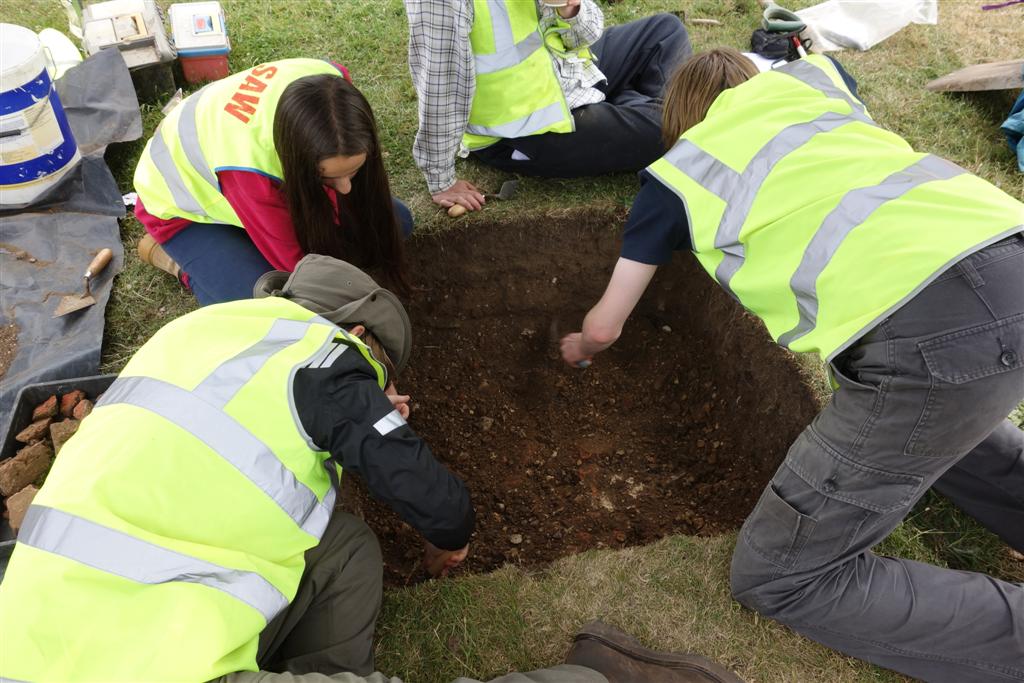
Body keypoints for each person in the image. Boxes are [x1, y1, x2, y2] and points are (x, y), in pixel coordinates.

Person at [560, 48, 1024, 682]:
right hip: (1003, 251)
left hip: (932, 332)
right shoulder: (819, 87)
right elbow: (826, 66)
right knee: (945, 418)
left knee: (781, 577)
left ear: (680, 119)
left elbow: (604, 326)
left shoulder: (680, 176)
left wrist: (579, 348)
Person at [0, 256, 469, 680]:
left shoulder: (195, 331)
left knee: (344, 546)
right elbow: (439, 505)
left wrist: (360, 410)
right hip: (153, 665)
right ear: (359, 334)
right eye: (381, 369)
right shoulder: (324, 355)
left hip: (25, 637)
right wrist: (450, 540)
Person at [133, 59, 412, 305]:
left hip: (243, 193)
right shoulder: (248, 167)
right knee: (269, 303)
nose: (345, 188)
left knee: (397, 222)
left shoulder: (333, 90)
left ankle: (243, 244)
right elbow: (300, 271)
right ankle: (182, 264)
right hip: (185, 213)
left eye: (353, 171)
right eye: (328, 177)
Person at [404, 0, 692, 214]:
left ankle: (634, 110)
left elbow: (584, 35)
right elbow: (440, 81)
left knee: (665, 32)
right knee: (669, 127)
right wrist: (440, 179)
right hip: (522, 129)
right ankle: (639, 112)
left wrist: (570, 10)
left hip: (565, 73)